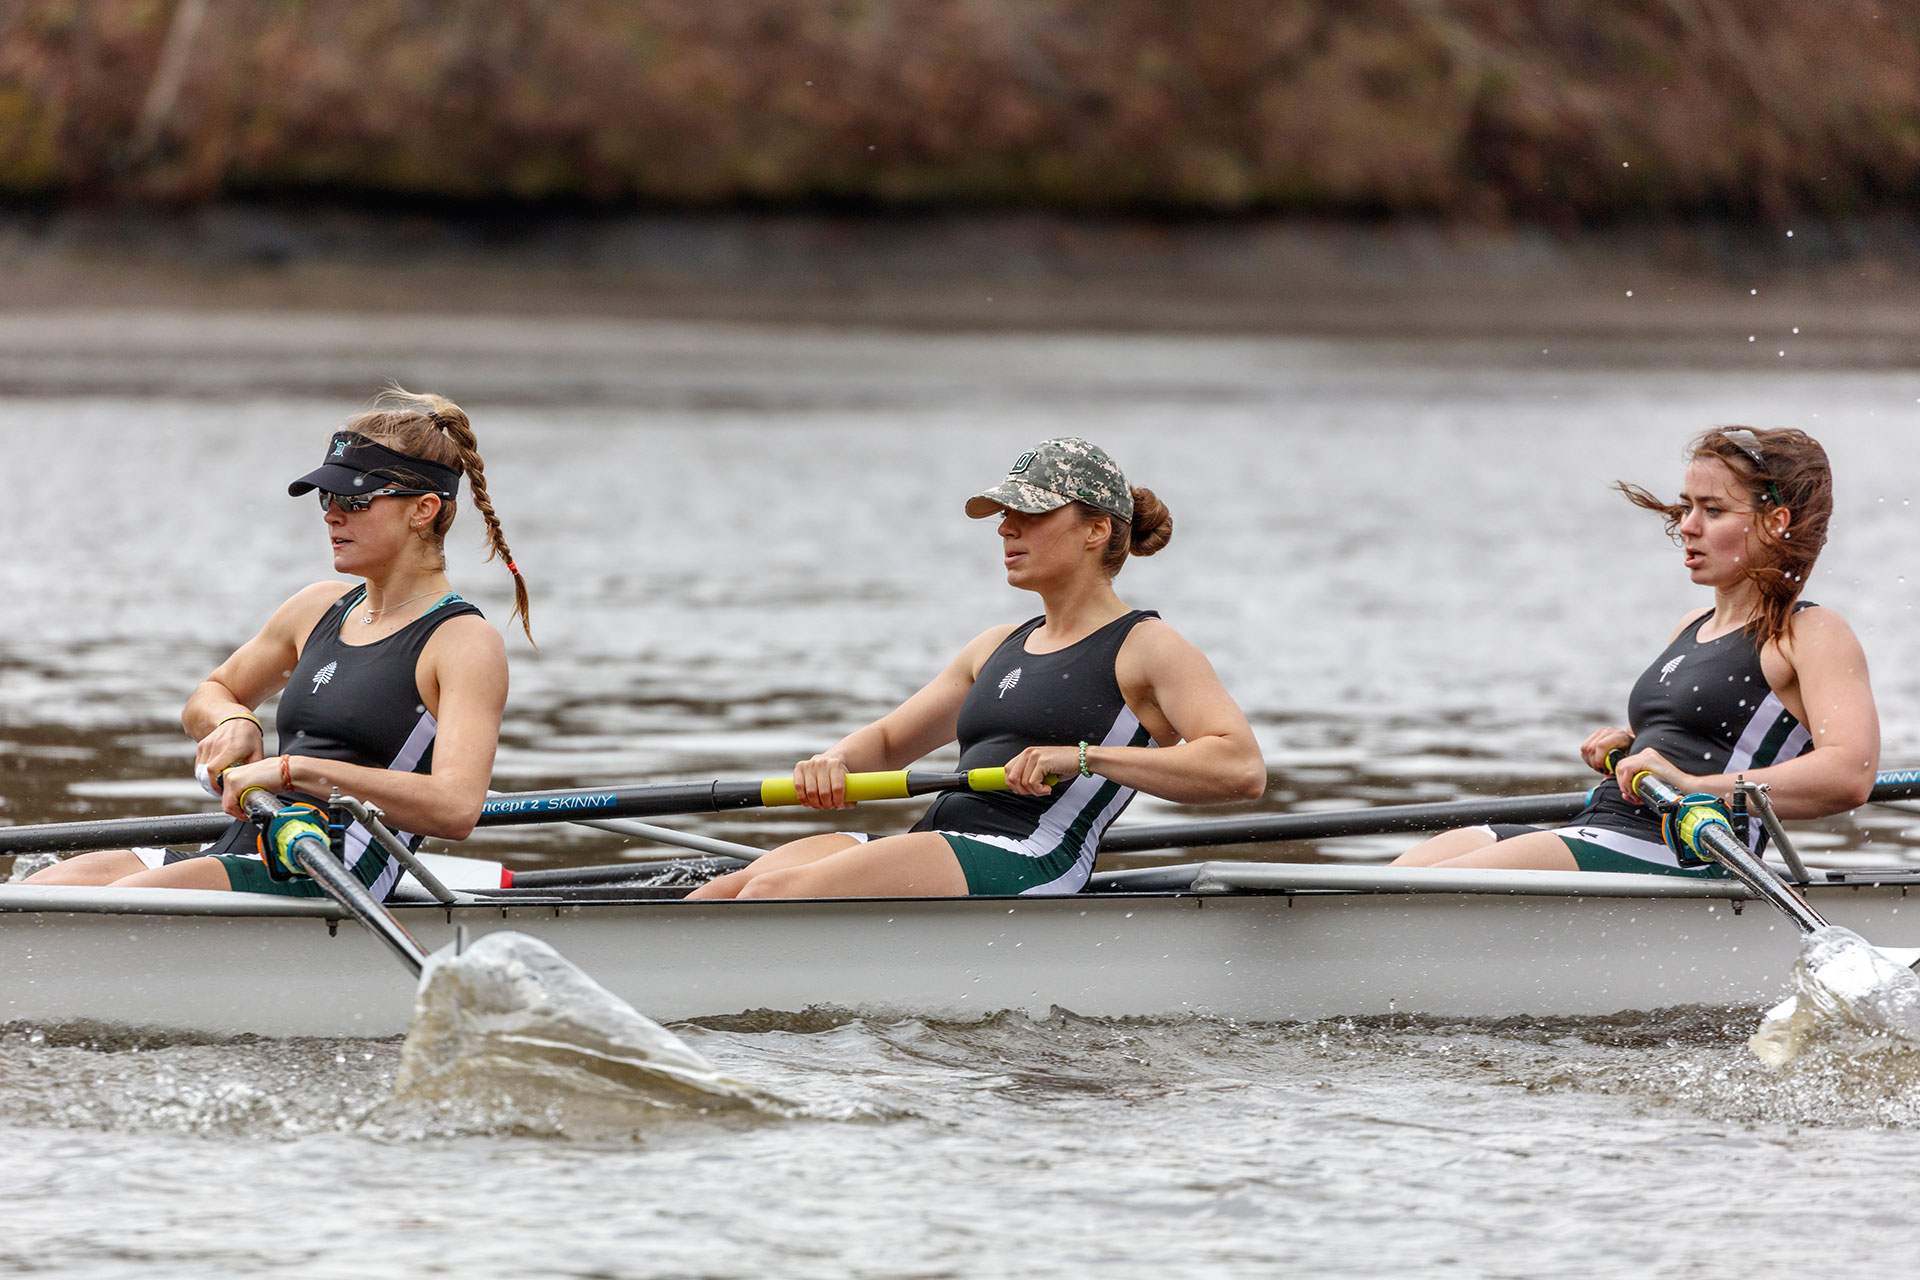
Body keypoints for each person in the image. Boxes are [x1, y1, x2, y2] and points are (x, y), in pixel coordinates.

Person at [689, 437, 1266, 900]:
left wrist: (1083, 758)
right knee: (718, 895)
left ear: (1097, 530)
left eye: (1031, 513)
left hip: (1032, 856)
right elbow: (888, 743)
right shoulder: (993, 647)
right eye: (1006, 513)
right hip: (939, 841)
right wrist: (833, 761)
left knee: (772, 892)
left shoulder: (1148, 647)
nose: (1006, 528)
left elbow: (1240, 768)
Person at [30, 389, 528, 898]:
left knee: (109, 901)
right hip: (251, 846)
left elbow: (455, 807)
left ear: (422, 509)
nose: (332, 515)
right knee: (44, 887)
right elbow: (212, 692)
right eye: (327, 498)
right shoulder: (316, 608)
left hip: (334, 875)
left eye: (354, 500)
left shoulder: (463, 642)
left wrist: (293, 771)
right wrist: (233, 721)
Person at [1393, 426, 1878, 875]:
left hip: (1694, 854)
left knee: (1420, 892)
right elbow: (1699, 738)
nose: (1687, 526)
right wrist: (1629, 744)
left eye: (1712, 511)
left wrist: (1690, 786)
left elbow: (1849, 774)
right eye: (1686, 506)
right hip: (1605, 828)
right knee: (1389, 879)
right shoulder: (1691, 625)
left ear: (1775, 523)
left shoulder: (1810, 632)